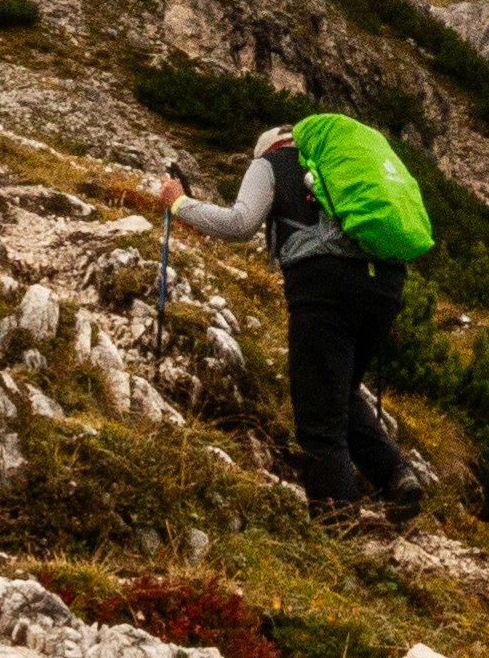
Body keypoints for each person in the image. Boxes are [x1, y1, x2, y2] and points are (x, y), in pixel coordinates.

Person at [135, 125, 416, 516]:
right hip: (385, 284)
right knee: (341, 389)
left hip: (324, 285)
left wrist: (179, 203)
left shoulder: (271, 163)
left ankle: (338, 514)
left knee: (317, 410)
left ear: (265, 148)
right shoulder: (335, 165)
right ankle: (395, 476)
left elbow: (239, 223)